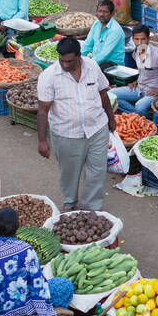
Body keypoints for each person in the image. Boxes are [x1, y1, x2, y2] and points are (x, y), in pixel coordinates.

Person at [37, 37, 115, 212]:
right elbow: (43, 110)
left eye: (70, 61)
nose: (65, 64)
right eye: (62, 60)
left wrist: (111, 119)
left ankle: (91, 208)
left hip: (97, 128)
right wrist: (42, 140)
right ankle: (70, 203)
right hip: (66, 134)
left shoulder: (92, 66)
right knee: (69, 173)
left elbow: (103, 93)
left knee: (97, 171)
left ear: (79, 56)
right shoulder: (48, 76)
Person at [0, 208, 60, 316]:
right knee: (61, 285)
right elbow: (37, 282)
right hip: (20, 307)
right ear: (18, 226)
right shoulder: (26, 249)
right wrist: (42, 304)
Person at [114, 24, 158, 115]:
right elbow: (143, 71)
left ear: (148, 39)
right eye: (137, 39)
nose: (140, 42)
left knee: (140, 106)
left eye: (143, 39)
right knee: (112, 94)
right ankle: (136, 115)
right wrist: (136, 82)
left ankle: (140, 117)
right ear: (133, 39)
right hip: (139, 88)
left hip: (155, 92)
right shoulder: (136, 52)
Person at [82, 0, 126, 70]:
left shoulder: (115, 30)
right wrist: (79, 58)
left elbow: (104, 55)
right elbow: (87, 44)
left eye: (105, 12)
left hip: (112, 65)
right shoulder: (96, 24)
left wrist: (89, 64)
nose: (101, 14)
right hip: (97, 61)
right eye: (99, 11)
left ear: (112, 14)